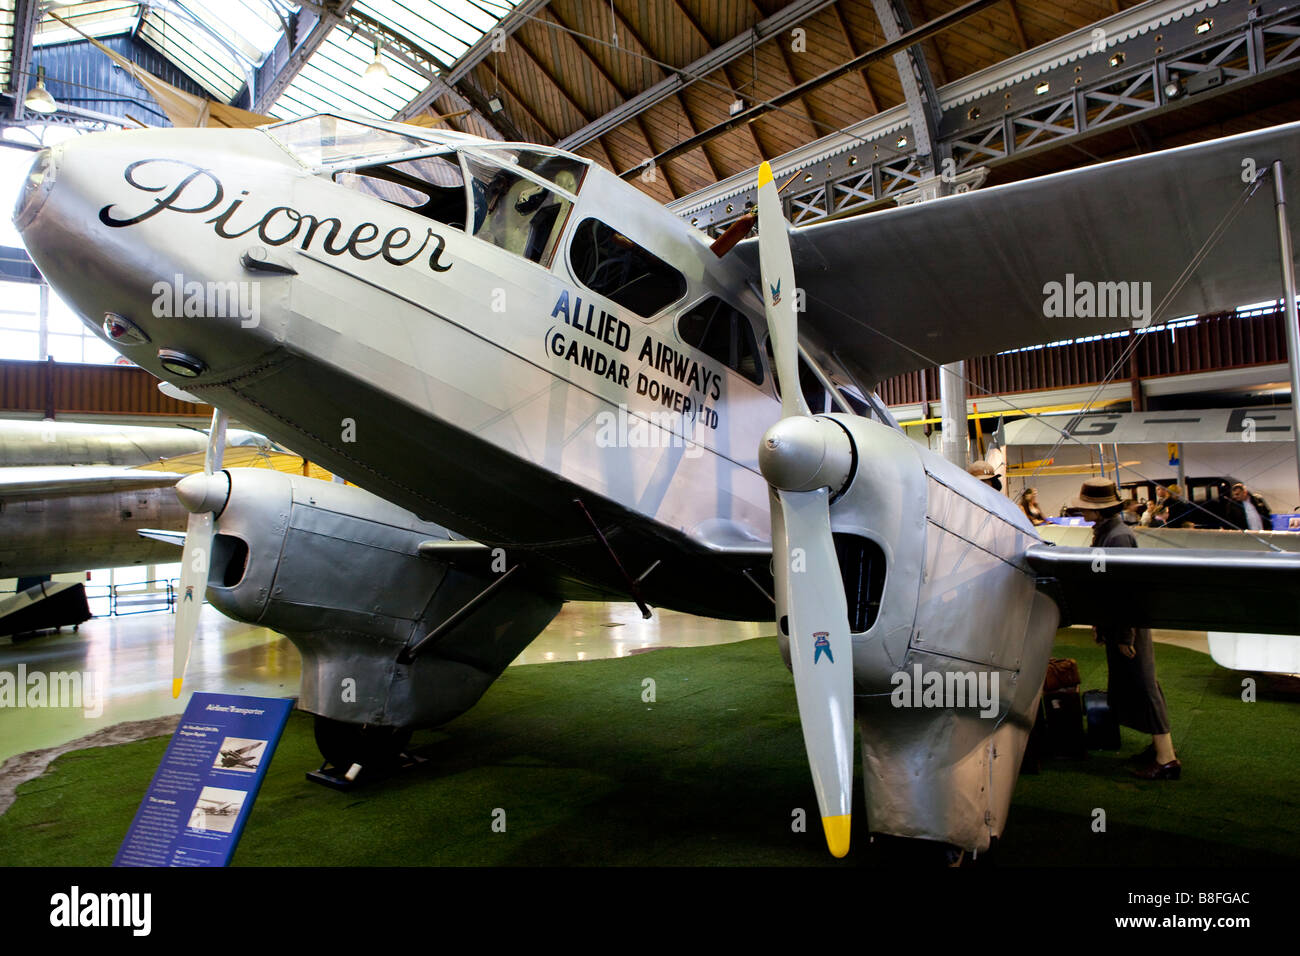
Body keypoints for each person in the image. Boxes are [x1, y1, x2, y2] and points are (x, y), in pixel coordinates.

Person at [1068, 477, 1179, 779]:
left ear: (1100, 510)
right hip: (1120, 624)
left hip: (1127, 626)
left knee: (1145, 686)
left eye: (1087, 507)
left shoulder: (1116, 537)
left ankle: (1166, 758)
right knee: (1141, 685)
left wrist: (1123, 635)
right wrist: (1103, 626)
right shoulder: (1109, 533)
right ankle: (1159, 748)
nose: (1082, 512)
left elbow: (1124, 591)